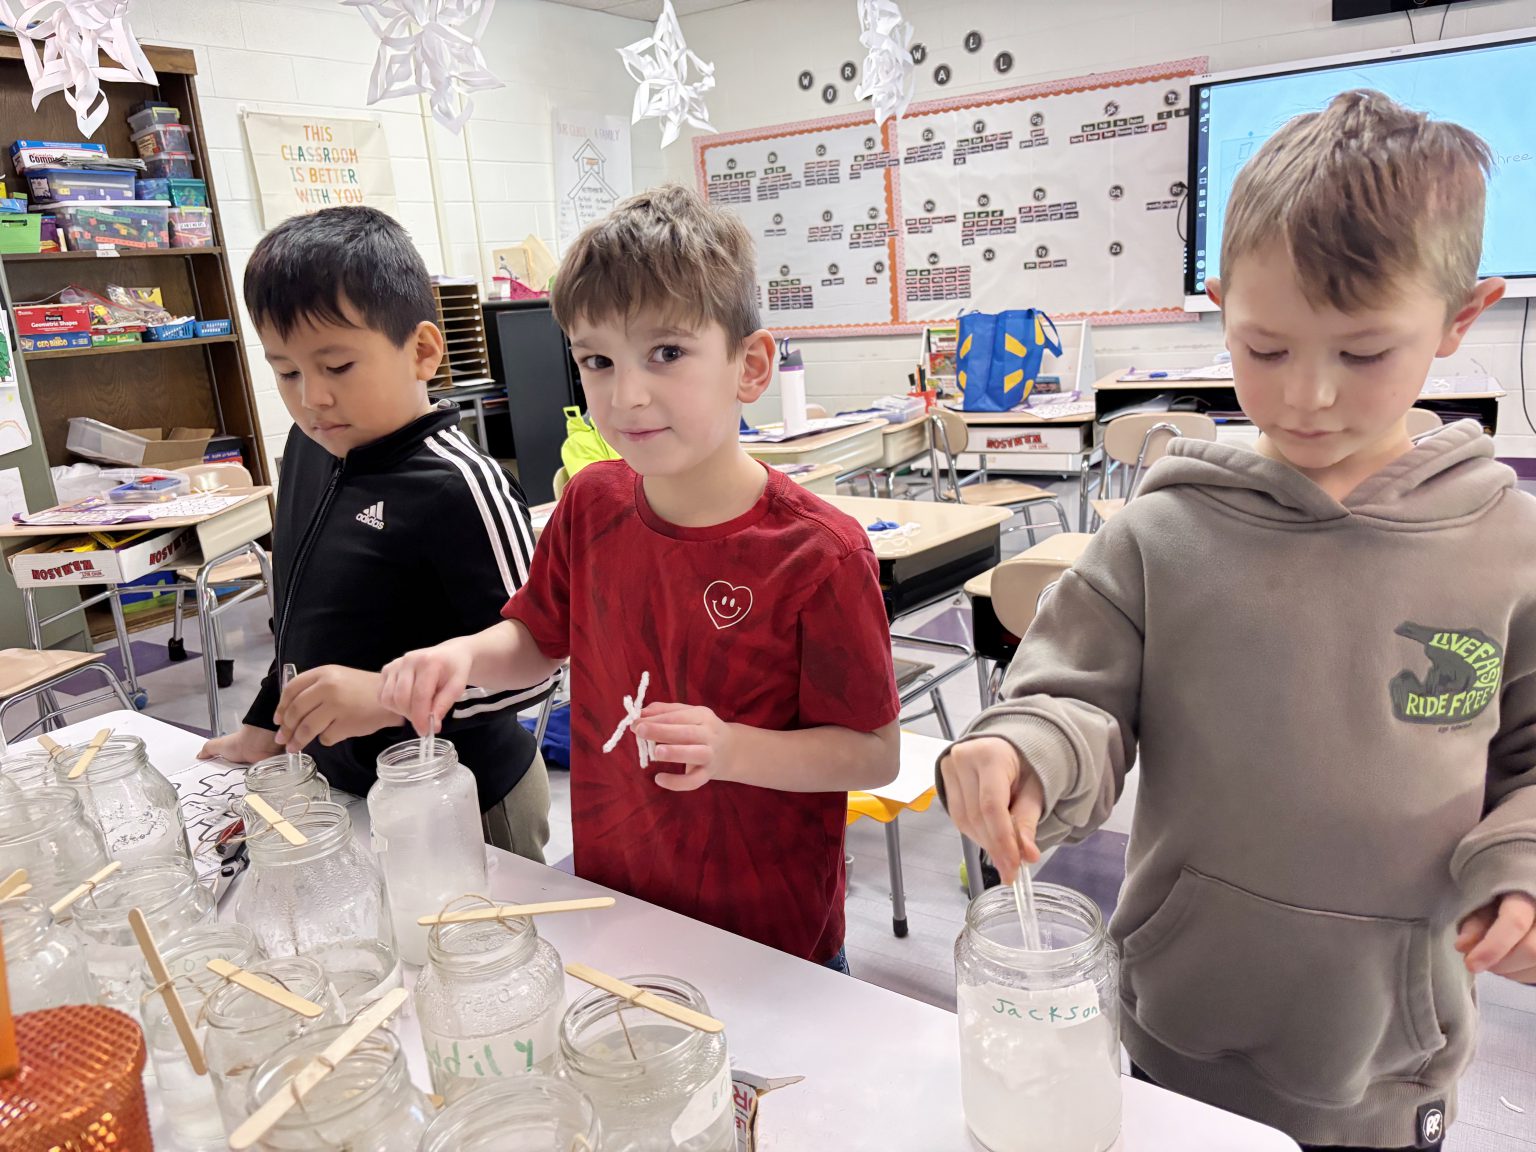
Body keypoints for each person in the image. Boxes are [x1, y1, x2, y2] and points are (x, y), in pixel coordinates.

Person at [939, 90, 1536, 1151]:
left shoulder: (1506, 546)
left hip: (1388, 1064)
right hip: (1181, 1030)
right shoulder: (1163, 530)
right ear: (1221, 309)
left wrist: (1526, 864)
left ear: (1459, 319)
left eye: (1362, 355)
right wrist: (1018, 752)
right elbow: (1072, 698)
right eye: (1266, 351)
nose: (1308, 396)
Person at [379, 185, 901, 970]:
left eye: (666, 353)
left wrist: (731, 749)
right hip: (617, 900)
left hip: (771, 935)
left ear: (749, 365)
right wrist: (465, 657)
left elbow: (873, 753)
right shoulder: (591, 504)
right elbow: (536, 638)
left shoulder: (820, 555)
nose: (626, 395)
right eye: (597, 360)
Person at [198, 205, 553, 861]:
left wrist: (389, 701)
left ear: (421, 351)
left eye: (336, 367)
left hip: (469, 803)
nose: (311, 399)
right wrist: (261, 725)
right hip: (356, 791)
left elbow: (536, 671)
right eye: (286, 371)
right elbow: (305, 616)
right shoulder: (309, 453)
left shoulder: (459, 485)